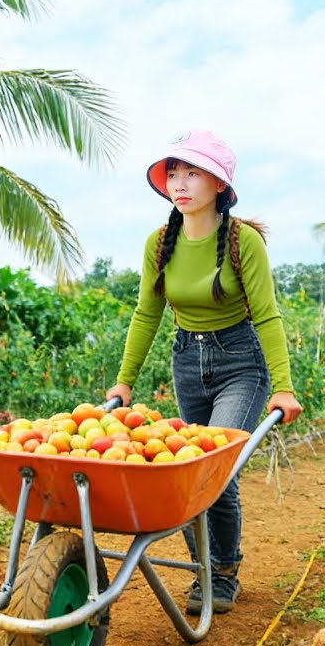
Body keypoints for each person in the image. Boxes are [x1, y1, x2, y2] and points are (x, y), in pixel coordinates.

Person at [106, 129, 303, 614]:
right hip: (187, 361)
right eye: (174, 172)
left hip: (241, 362)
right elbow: (146, 314)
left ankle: (224, 571)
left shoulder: (244, 242)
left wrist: (283, 387)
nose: (180, 181)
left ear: (218, 184)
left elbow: (268, 315)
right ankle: (203, 571)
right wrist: (124, 380)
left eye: (192, 172)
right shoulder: (159, 243)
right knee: (191, 470)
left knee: (215, 469)